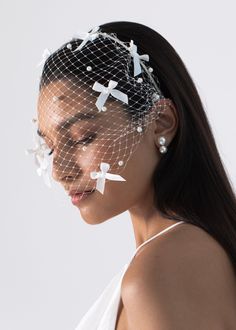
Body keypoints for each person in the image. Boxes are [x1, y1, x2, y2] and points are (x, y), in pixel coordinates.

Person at [27, 21, 236, 329]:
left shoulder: (159, 273)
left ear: (161, 121)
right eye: (51, 148)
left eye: (83, 137)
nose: (60, 171)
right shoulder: (190, 252)